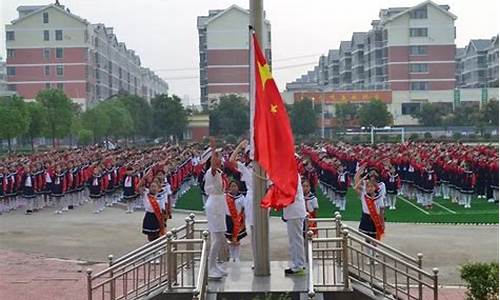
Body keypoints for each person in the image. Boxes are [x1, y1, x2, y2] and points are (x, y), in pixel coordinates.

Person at [204, 138, 228, 279]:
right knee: (217, 237)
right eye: (218, 158)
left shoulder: (218, 172)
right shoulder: (211, 171)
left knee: (219, 237)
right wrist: (213, 150)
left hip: (219, 203)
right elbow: (212, 164)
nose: (220, 159)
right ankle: (210, 266)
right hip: (214, 204)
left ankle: (214, 265)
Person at [283, 175, 307, 276]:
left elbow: (289, 192)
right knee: (294, 239)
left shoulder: (292, 175)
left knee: (296, 240)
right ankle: (298, 263)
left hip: (295, 212)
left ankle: (299, 265)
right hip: (293, 212)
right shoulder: (290, 174)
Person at [354, 164, 385, 241]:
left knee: (375, 238)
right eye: (368, 187)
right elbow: (356, 187)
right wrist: (360, 172)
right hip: (366, 217)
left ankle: (373, 252)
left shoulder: (379, 197)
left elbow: (381, 211)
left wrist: (383, 222)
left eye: (372, 187)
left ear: (375, 187)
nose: (370, 189)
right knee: (367, 238)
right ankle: (368, 252)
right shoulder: (363, 195)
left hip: (376, 218)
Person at [224, 180, 246, 263]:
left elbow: (244, 208)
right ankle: (230, 256)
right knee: (229, 239)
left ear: (238, 187)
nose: (233, 188)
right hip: (228, 220)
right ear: (229, 188)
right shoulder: (226, 197)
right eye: (232, 186)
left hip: (238, 220)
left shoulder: (241, 197)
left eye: (235, 186)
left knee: (237, 239)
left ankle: (236, 256)